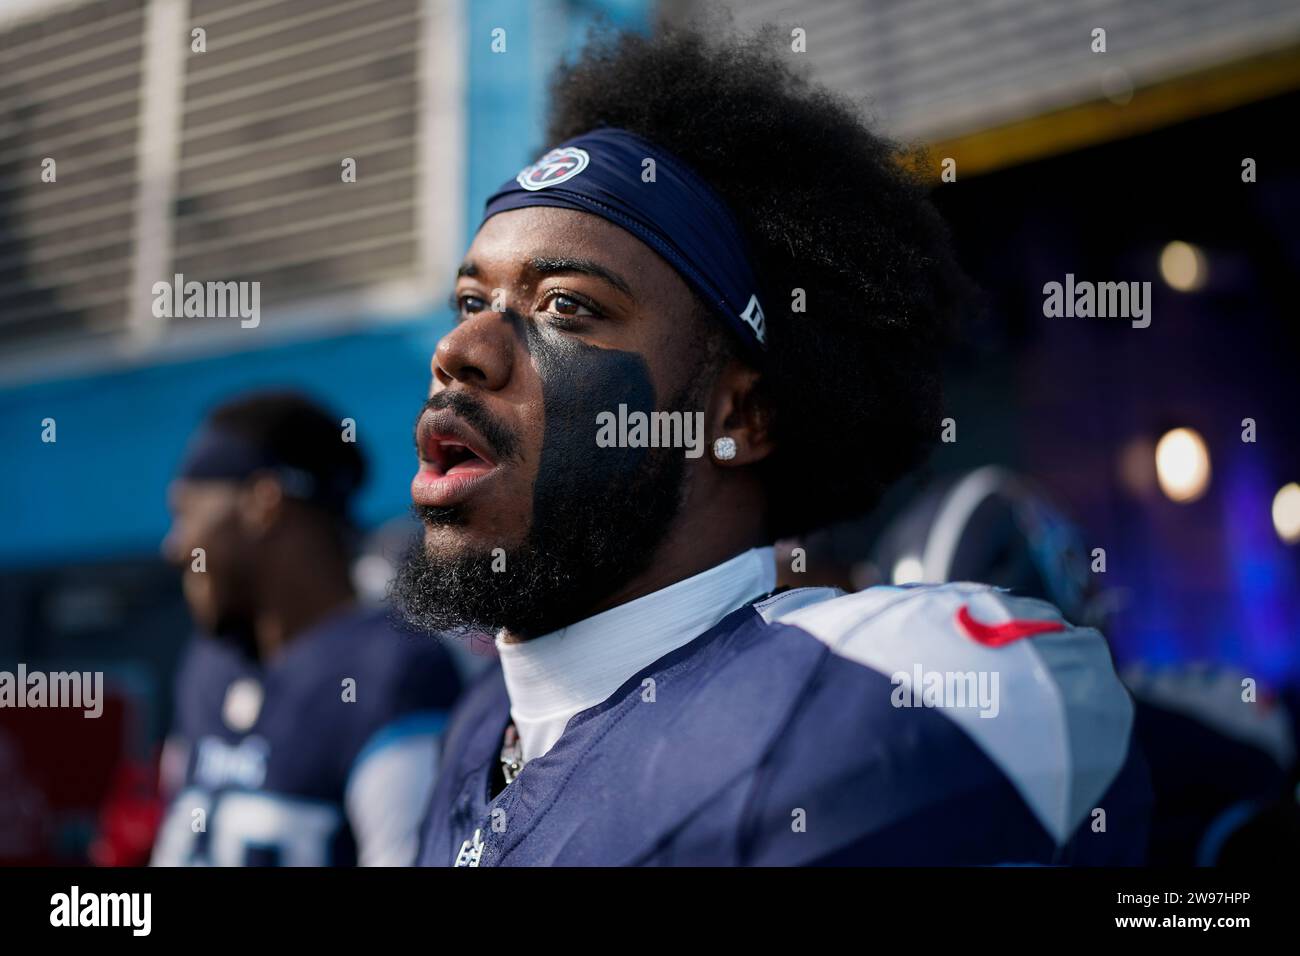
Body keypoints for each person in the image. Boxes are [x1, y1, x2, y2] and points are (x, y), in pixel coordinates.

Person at [395, 27, 1150, 866]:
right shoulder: (478, 730)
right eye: (471, 298)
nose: (461, 349)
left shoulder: (863, 706)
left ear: (739, 416)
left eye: (567, 307)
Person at [152, 391, 461, 866]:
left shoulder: (391, 672)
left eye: (186, 512)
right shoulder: (209, 664)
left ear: (263, 503)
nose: (175, 546)